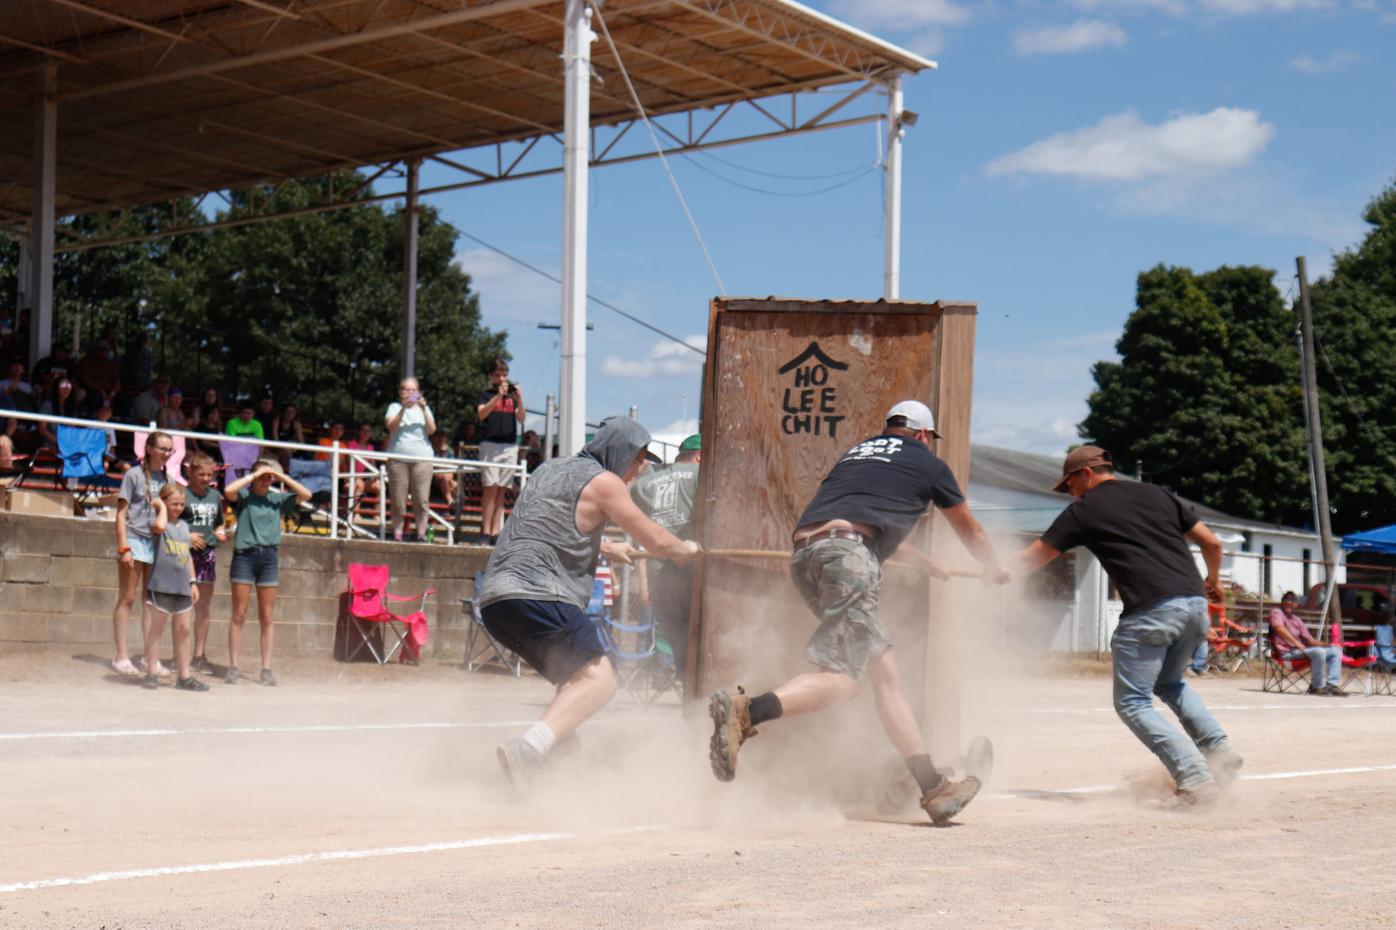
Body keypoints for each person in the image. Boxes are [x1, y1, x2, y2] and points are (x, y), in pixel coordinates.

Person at [706, 401, 1009, 825]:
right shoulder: (928, 463)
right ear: (924, 435)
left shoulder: (856, 456)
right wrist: (992, 566)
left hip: (809, 556)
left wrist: (925, 563)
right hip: (849, 558)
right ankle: (747, 711)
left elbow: (860, 521)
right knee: (844, 680)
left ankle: (934, 788)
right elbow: (967, 527)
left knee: (885, 673)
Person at [1019, 445, 1243, 806]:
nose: (1070, 494)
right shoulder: (1158, 494)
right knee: (1170, 684)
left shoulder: (1085, 510)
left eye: (1070, 485)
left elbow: (1034, 558)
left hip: (1152, 611)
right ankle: (1219, 753)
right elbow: (1212, 543)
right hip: (1195, 606)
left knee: (1133, 703)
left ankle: (1195, 779)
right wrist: (1213, 580)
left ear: (1086, 474)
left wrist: (994, 571)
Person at [483, 416, 700, 786]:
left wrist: (605, 547)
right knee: (601, 681)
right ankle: (528, 751)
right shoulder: (605, 482)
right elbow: (657, 540)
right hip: (540, 593)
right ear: (621, 453)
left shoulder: (549, 470)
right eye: (638, 458)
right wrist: (687, 549)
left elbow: (542, 530)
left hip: (496, 601)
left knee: (575, 678)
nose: (640, 467)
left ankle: (559, 770)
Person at [223, 458, 312, 686]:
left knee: (267, 615)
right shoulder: (245, 497)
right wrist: (254, 475)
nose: (265, 481)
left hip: (269, 557)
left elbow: (306, 495)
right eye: (262, 477)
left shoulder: (277, 500)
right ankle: (233, 665)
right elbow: (229, 491)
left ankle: (266, 668)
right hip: (245, 556)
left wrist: (280, 476)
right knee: (239, 613)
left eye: (268, 478)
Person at [629, 433, 701, 680]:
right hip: (694, 573)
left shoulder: (645, 483)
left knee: (681, 650)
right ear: (700, 456)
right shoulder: (701, 475)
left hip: (659, 576)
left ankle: (690, 699)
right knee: (705, 648)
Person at [111, 430, 173, 677]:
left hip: (157, 543)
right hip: (134, 540)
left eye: (169, 450)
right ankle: (121, 656)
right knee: (127, 598)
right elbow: (121, 514)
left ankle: (150, 657)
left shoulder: (169, 479)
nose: (166, 453)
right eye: (162, 448)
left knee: (151, 603)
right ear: (149, 449)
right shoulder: (133, 475)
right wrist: (124, 547)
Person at [141, 483, 209, 692]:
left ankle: (184, 676)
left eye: (181, 504)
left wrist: (192, 581)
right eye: (173, 504)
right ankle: (151, 672)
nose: (178, 508)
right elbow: (160, 527)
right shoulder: (155, 522)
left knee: (184, 629)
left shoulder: (184, 527)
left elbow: (186, 555)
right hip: (161, 585)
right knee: (157, 628)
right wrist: (160, 507)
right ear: (163, 502)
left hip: (181, 586)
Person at [181, 453, 227, 676]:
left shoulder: (215, 496)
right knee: (181, 606)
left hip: (207, 554)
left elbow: (219, 523)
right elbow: (171, 522)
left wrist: (220, 532)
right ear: (191, 472)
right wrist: (186, 536)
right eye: (201, 474)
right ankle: (179, 654)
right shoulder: (182, 494)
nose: (206, 479)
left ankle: (199, 655)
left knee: (203, 606)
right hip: (184, 554)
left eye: (210, 475)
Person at [475, 357, 524, 544]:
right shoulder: (485, 395)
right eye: (497, 375)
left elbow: (521, 419)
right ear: (491, 376)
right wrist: (497, 397)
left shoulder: (512, 397)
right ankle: (485, 531)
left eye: (504, 375)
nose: (502, 378)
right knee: (490, 488)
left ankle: (495, 532)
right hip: (490, 444)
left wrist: (520, 399)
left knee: (502, 490)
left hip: (509, 445)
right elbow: (481, 414)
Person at [384, 377, 436, 541]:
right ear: (400, 392)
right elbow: (391, 427)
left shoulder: (424, 408)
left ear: (419, 392)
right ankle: (397, 535)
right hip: (398, 459)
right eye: (407, 390)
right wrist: (403, 409)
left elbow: (432, 430)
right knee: (398, 499)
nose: (410, 393)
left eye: (414, 390)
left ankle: (421, 535)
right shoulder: (394, 407)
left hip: (422, 459)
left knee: (421, 499)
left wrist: (424, 407)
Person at [1269, 590, 1347, 696]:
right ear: (1282, 601)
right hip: (1286, 653)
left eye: (1292, 600)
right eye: (1286, 599)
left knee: (1335, 651)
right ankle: (1317, 687)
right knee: (1319, 652)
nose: (1289, 602)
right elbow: (1279, 628)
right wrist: (1296, 642)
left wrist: (1329, 645)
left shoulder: (1297, 620)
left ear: (1296, 604)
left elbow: (1310, 640)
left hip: (1300, 651)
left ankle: (1332, 685)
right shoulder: (1277, 612)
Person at [37, 378, 82, 448]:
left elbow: (72, 429)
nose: (66, 388)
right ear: (56, 388)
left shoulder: (72, 407)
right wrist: (58, 441)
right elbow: (42, 429)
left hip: (67, 445)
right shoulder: (47, 405)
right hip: (50, 444)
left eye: (69, 385)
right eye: (63, 385)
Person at [77, 340, 122, 408]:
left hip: (109, 390)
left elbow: (117, 381)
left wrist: (112, 393)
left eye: (106, 350)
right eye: (102, 349)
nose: (104, 352)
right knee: (96, 398)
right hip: (94, 390)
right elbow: (86, 379)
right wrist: (101, 390)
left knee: (123, 398)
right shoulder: (88, 362)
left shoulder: (112, 364)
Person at [345, 422, 381, 499]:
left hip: (364, 479)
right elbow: (349, 463)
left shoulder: (370, 447)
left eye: (368, 431)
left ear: (371, 434)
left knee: (380, 487)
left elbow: (373, 466)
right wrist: (357, 477)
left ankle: (378, 507)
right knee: (359, 485)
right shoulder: (352, 444)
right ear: (359, 432)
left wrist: (377, 478)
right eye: (364, 430)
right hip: (351, 478)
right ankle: (355, 507)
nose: (366, 433)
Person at [430, 428, 459, 504]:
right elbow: (433, 465)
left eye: (443, 436)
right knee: (444, 477)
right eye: (438, 436)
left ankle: (451, 500)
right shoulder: (430, 449)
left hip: (446, 475)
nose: (440, 438)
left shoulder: (450, 451)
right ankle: (452, 499)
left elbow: (451, 466)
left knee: (448, 479)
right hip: (433, 475)